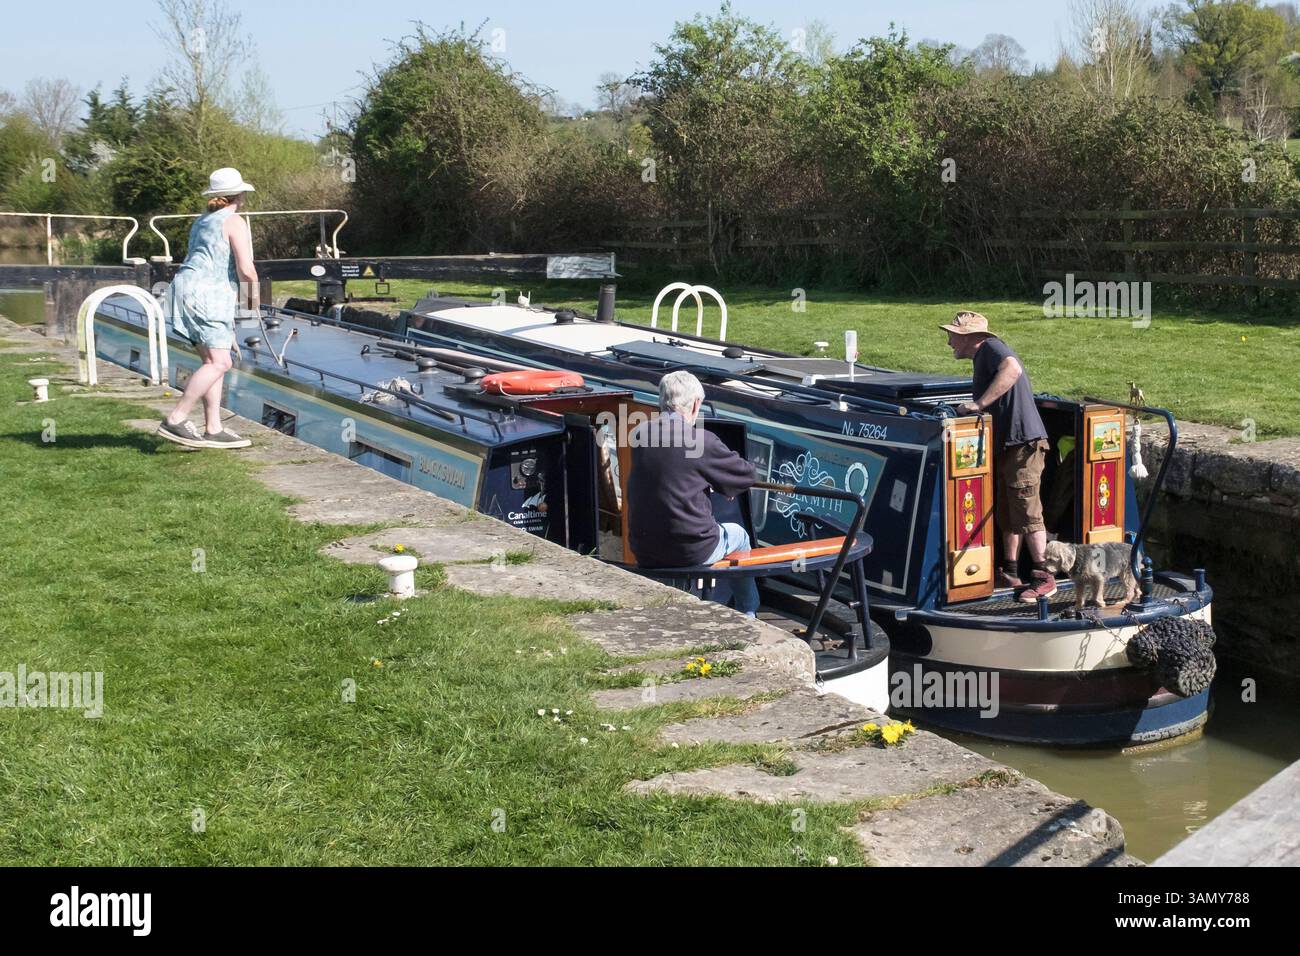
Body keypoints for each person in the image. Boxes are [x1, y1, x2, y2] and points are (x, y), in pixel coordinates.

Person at [942, 310, 1056, 602]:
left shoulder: (992, 348)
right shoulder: (983, 356)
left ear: (971, 338)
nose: (949, 342)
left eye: (953, 336)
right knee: (1008, 511)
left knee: (1028, 511)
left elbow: (1013, 369)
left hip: (1024, 446)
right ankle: (1011, 571)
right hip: (1010, 445)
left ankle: (1045, 577)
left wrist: (978, 404)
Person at [626, 371, 760, 616]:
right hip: (691, 549)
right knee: (739, 535)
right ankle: (748, 613)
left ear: (662, 400)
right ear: (697, 404)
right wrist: (723, 484)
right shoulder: (701, 440)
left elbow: (671, 475)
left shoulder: (641, 434)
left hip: (644, 548)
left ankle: (672, 605)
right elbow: (747, 475)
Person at [156, 167, 259, 449]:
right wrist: (253, 304)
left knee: (212, 363)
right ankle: (175, 419)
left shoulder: (202, 221)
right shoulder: (235, 221)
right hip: (208, 296)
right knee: (221, 362)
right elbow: (247, 270)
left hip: (184, 289)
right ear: (240, 195)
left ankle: (213, 428)